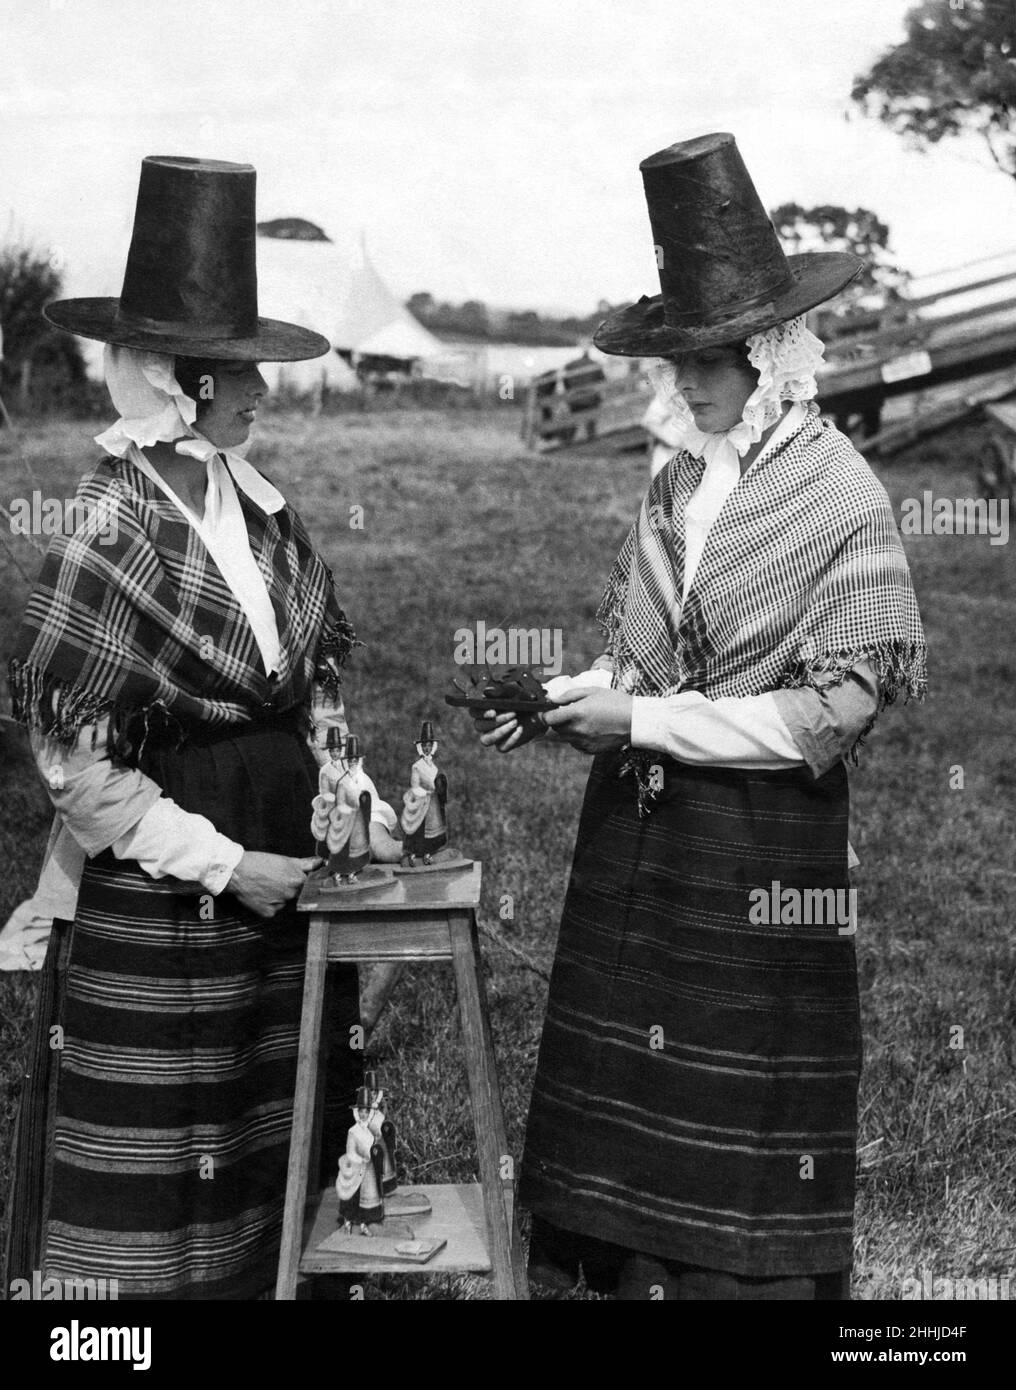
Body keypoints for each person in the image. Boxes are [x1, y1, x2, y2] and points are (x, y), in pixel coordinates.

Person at [472, 134, 927, 1301]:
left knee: (739, 1126)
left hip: (758, 856)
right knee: (629, 1123)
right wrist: (563, 698)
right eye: (681, 359)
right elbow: (637, 656)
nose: (692, 382)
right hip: (637, 845)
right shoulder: (675, 482)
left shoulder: (841, 494)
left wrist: (644, 723)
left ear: (776, 350)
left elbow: (830, 715)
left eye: (714, 356)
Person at [3, 156, 377, 1300]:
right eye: (243, 373)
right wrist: (229, 864)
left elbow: (306, 681)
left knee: (269, 1116)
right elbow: (79, 773)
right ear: (182, 385)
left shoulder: (257, 509)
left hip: (279, 863)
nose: (262, 391)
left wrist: (341, 793)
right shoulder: (104, 533)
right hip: (168, 894)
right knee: (159, 1154)